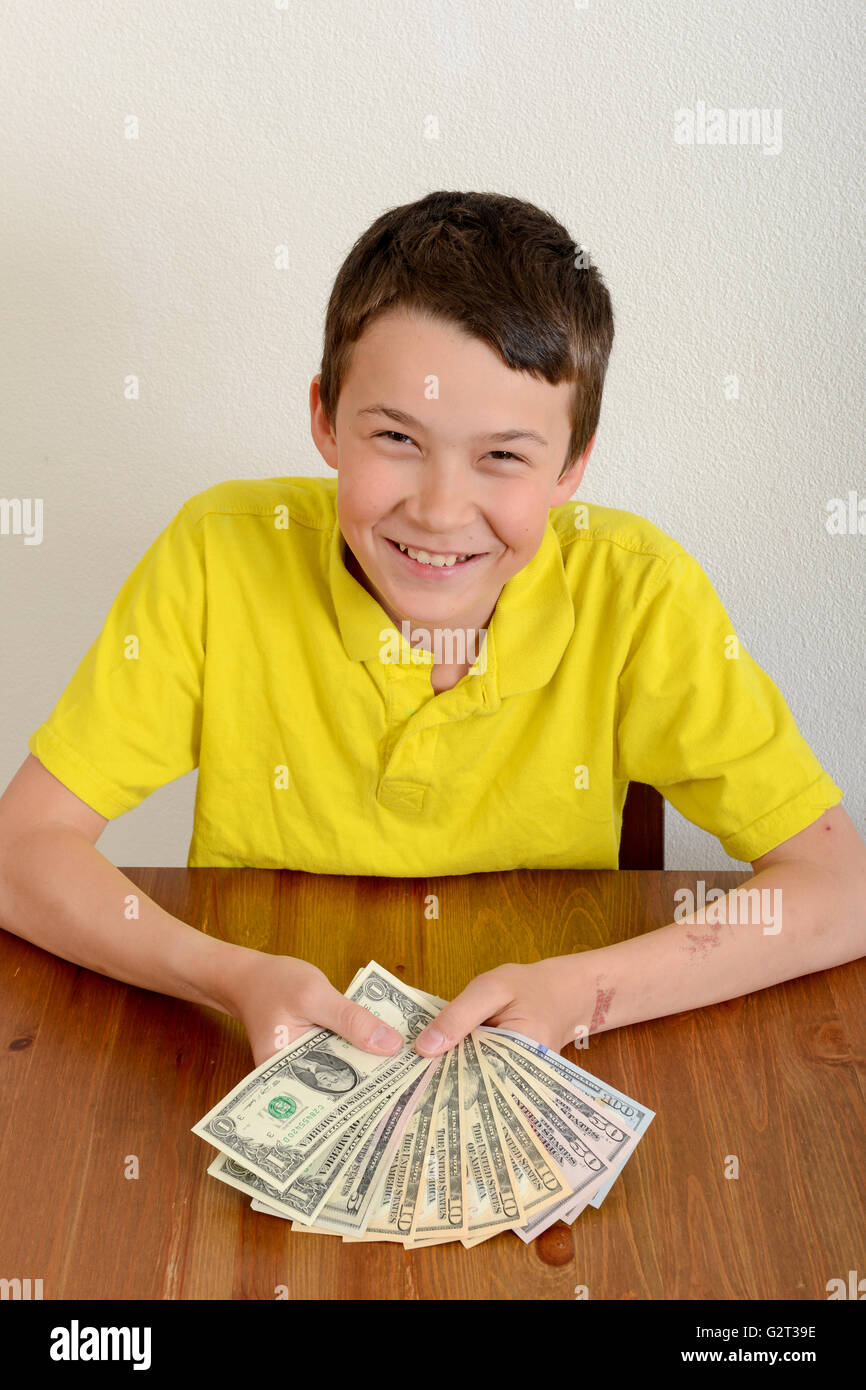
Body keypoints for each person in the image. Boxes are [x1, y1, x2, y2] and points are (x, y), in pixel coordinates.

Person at [1, 190, 863, 1070]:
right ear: (326, 421)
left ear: (571, 466)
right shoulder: (219, 557)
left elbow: (842, 889)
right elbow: (20, 850)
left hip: (545, 1038)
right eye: (397, 438)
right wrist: (230, 978)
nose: (442, 510)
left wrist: (581, 991)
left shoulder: (640, 594)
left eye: (502, 456)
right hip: (258, 1032)